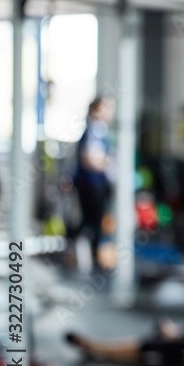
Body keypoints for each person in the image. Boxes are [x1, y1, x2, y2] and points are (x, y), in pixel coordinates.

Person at [71, 96, 115, 269]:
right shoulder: (95, 130)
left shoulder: (100, 130)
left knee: (93, 222)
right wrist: (109, 163)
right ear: (97, 110)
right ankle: (91, 259)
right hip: (91, 184)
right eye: (107, 108)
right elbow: (89, 159)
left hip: (94, 183)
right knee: (92, 222)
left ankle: (89, 256)